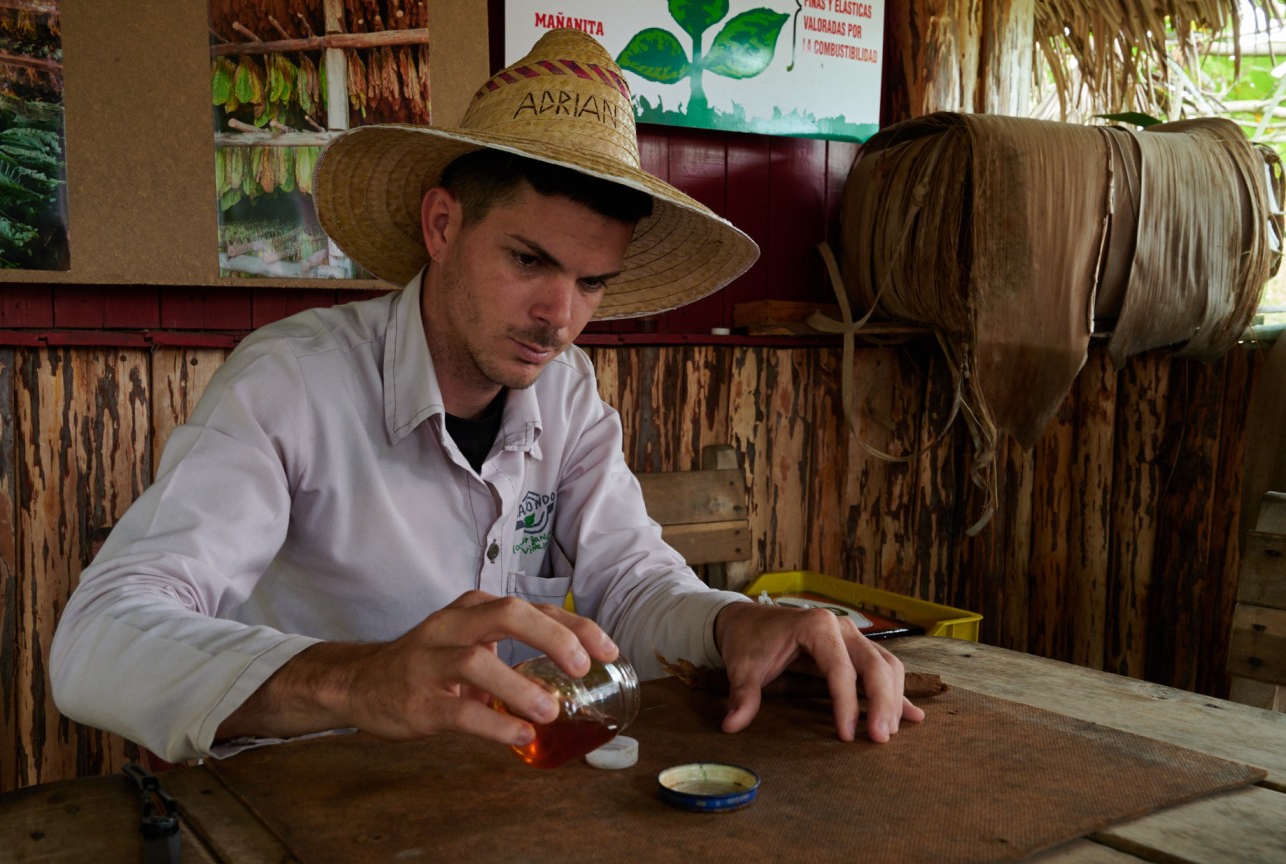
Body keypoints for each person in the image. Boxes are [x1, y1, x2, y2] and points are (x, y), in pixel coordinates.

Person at [50, 28, 924, 764]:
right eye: (528, 261)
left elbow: (632, 581)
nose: (559, 318)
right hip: (303, 815)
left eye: (592, 283)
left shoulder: (569, 395)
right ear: (442, 226)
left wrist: (735, 623)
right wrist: (358, 678)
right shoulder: (291, 383)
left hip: (496, 810)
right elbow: (99, 639)